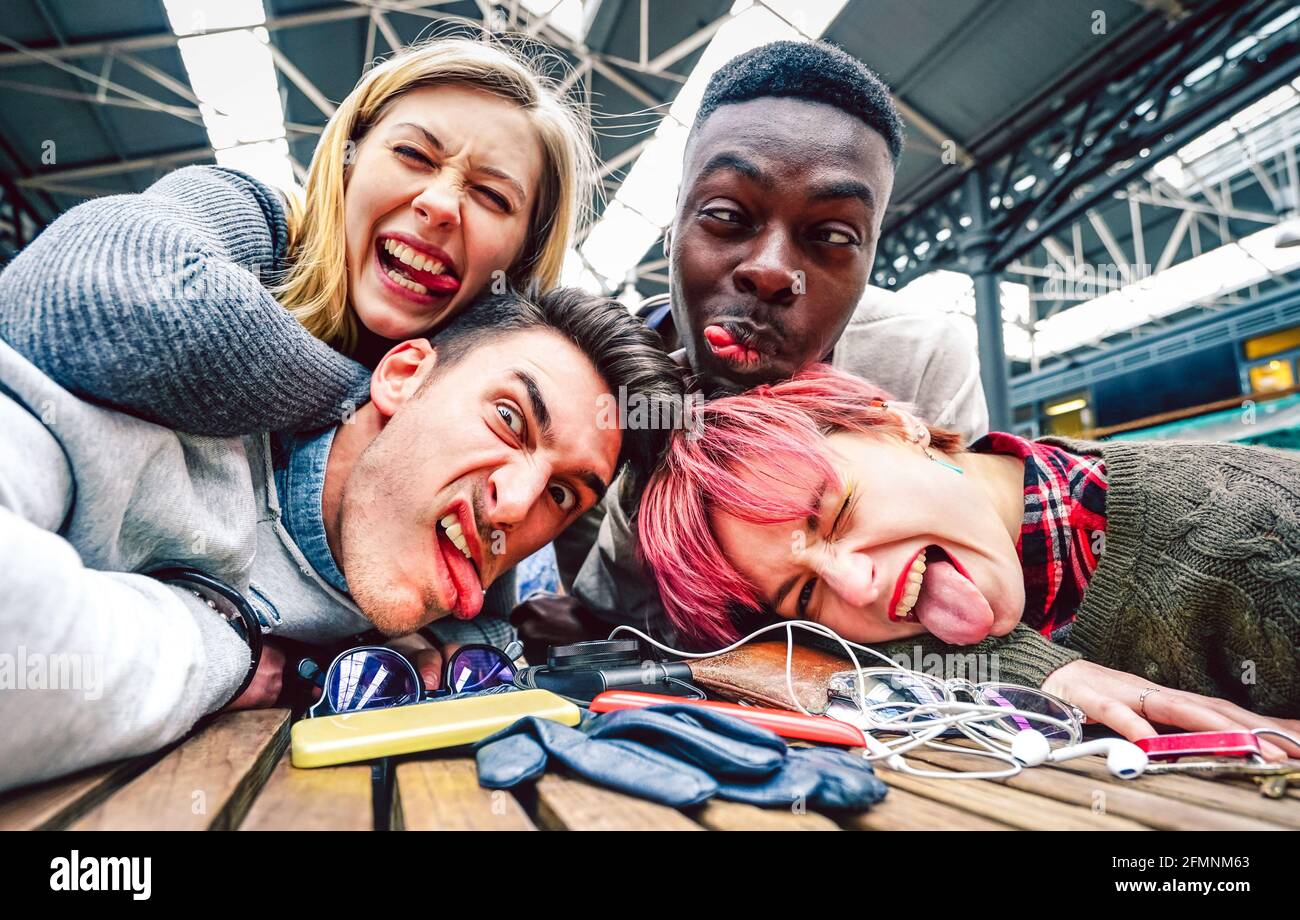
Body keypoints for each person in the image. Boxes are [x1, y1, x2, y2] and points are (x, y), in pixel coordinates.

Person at [0, 35, 595, 649]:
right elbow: (80, 307)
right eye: (414, 154)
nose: (440, 204)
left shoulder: (479, 393)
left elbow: (479, 610)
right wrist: (369, 401)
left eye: (493, 196)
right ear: (348, 160)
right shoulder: (253, 216)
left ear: (519, 260)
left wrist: (437, 651)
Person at [0, 288, 683, 793]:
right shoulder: (125, 418)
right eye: (509, 418)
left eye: (563, 494)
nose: (514, 505)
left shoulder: (451, 610)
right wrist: (239, 653)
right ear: (403, 374)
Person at [532, 40, 988, 649]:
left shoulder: (918, 363)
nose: (772, 271)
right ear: (673, 228)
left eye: (830, 233)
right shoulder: (617, 381)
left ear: (872, 255)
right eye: (726, 215)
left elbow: (968, 602)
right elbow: (601, 611)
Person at [636, 364, 1300, 759]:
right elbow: (803, 659)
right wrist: (1035, 671)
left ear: (895, 425)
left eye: (837, 513)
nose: (858, 586)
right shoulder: (930, 574)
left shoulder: (1258, 530)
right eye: (807, 596)